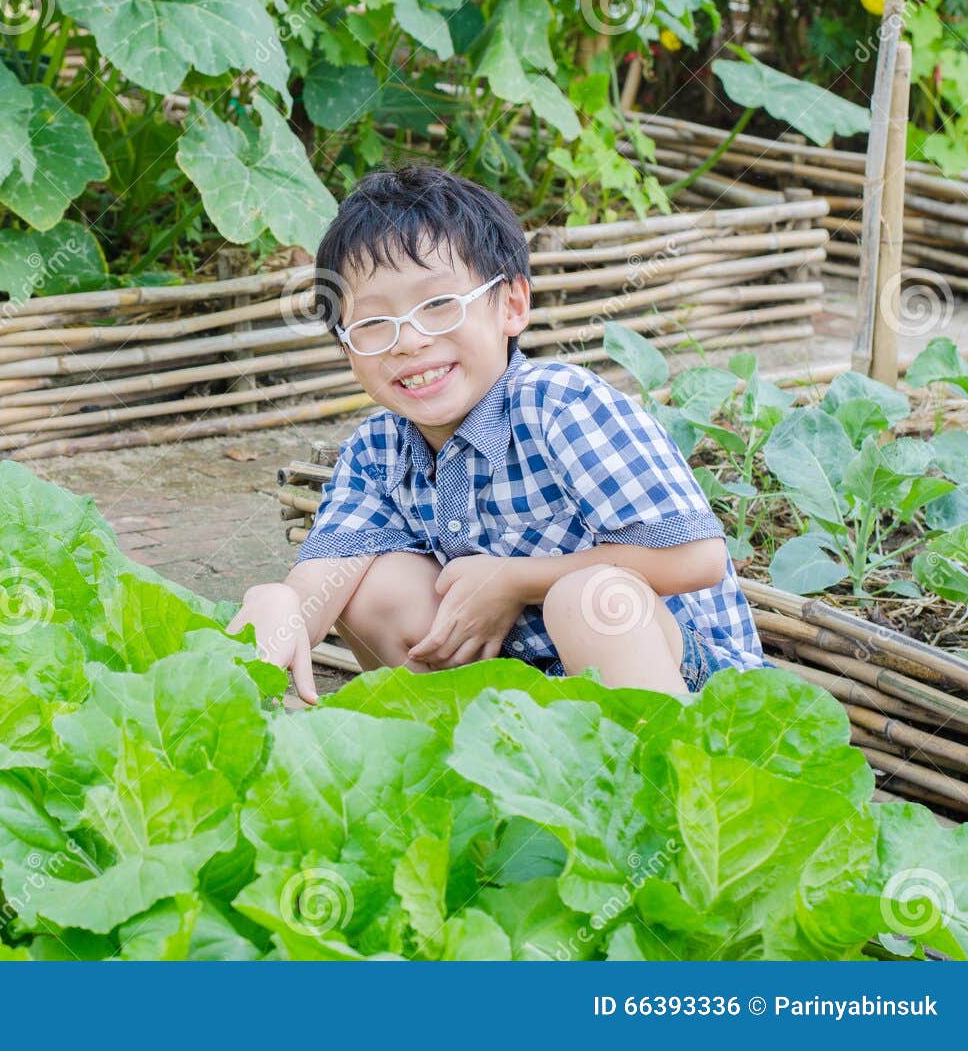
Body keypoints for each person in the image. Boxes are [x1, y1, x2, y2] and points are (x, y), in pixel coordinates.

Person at [226, 164, 765, 704]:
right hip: (526, 687)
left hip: (688, 684)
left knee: (587, 598)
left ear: (512, 305)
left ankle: (659, 773)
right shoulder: (376, 448)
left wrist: (515, 579)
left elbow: (697, 558)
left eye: (438, 305)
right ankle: (461, 759)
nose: (409, 341)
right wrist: (283, 600)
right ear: (347, 350)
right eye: (371, 324)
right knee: (374, 589)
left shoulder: (562, 404)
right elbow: (330, 569)